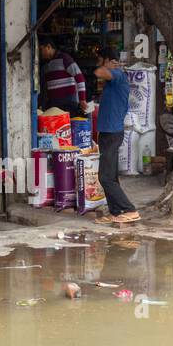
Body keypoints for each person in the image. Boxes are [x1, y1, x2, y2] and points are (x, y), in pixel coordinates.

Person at [93, 47, 140, 224]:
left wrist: (107, 64)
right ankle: (116, 211)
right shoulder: (113, 81)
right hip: (107, 133)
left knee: (104, 177)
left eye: (100, 59)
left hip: (112, 134)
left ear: (110, 62)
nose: (98, 63)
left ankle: (129, 209)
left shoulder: (118, 76)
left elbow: (99, 71)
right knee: (111, 176)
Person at [40, 39, 87, 116]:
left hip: (69, 102)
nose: (41, 53)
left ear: (48, 47)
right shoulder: (46, 66)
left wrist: (82, 99)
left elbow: (80, 78)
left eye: (41, 49)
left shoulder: (64, 58)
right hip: (54, 104)